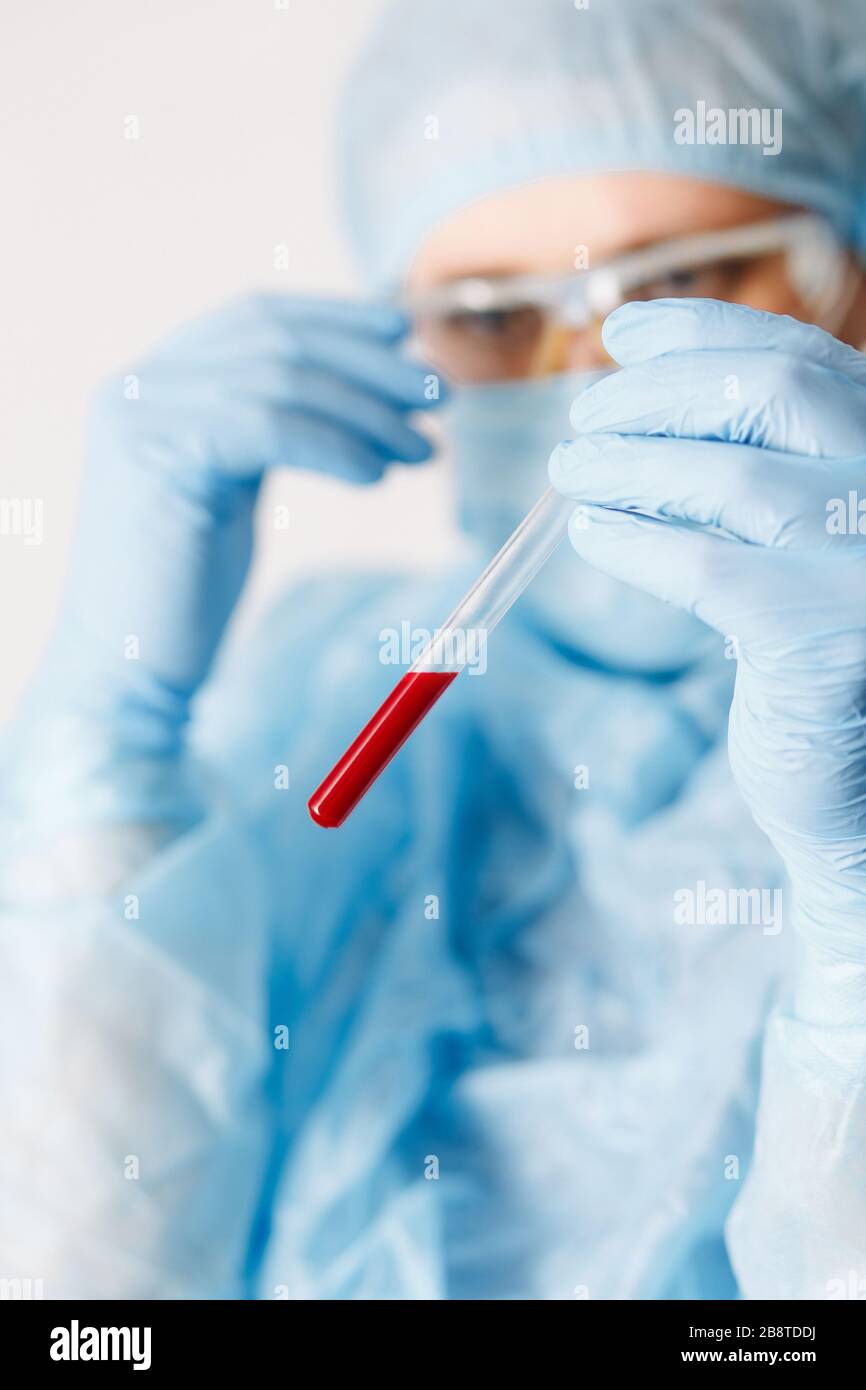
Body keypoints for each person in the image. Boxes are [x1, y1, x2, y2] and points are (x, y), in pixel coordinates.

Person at [2, 0, 866, 1300]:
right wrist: (108, 747)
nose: (583, 373)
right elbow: (85, 1281)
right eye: (491, 316)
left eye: (678, 285)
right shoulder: (320, 676)